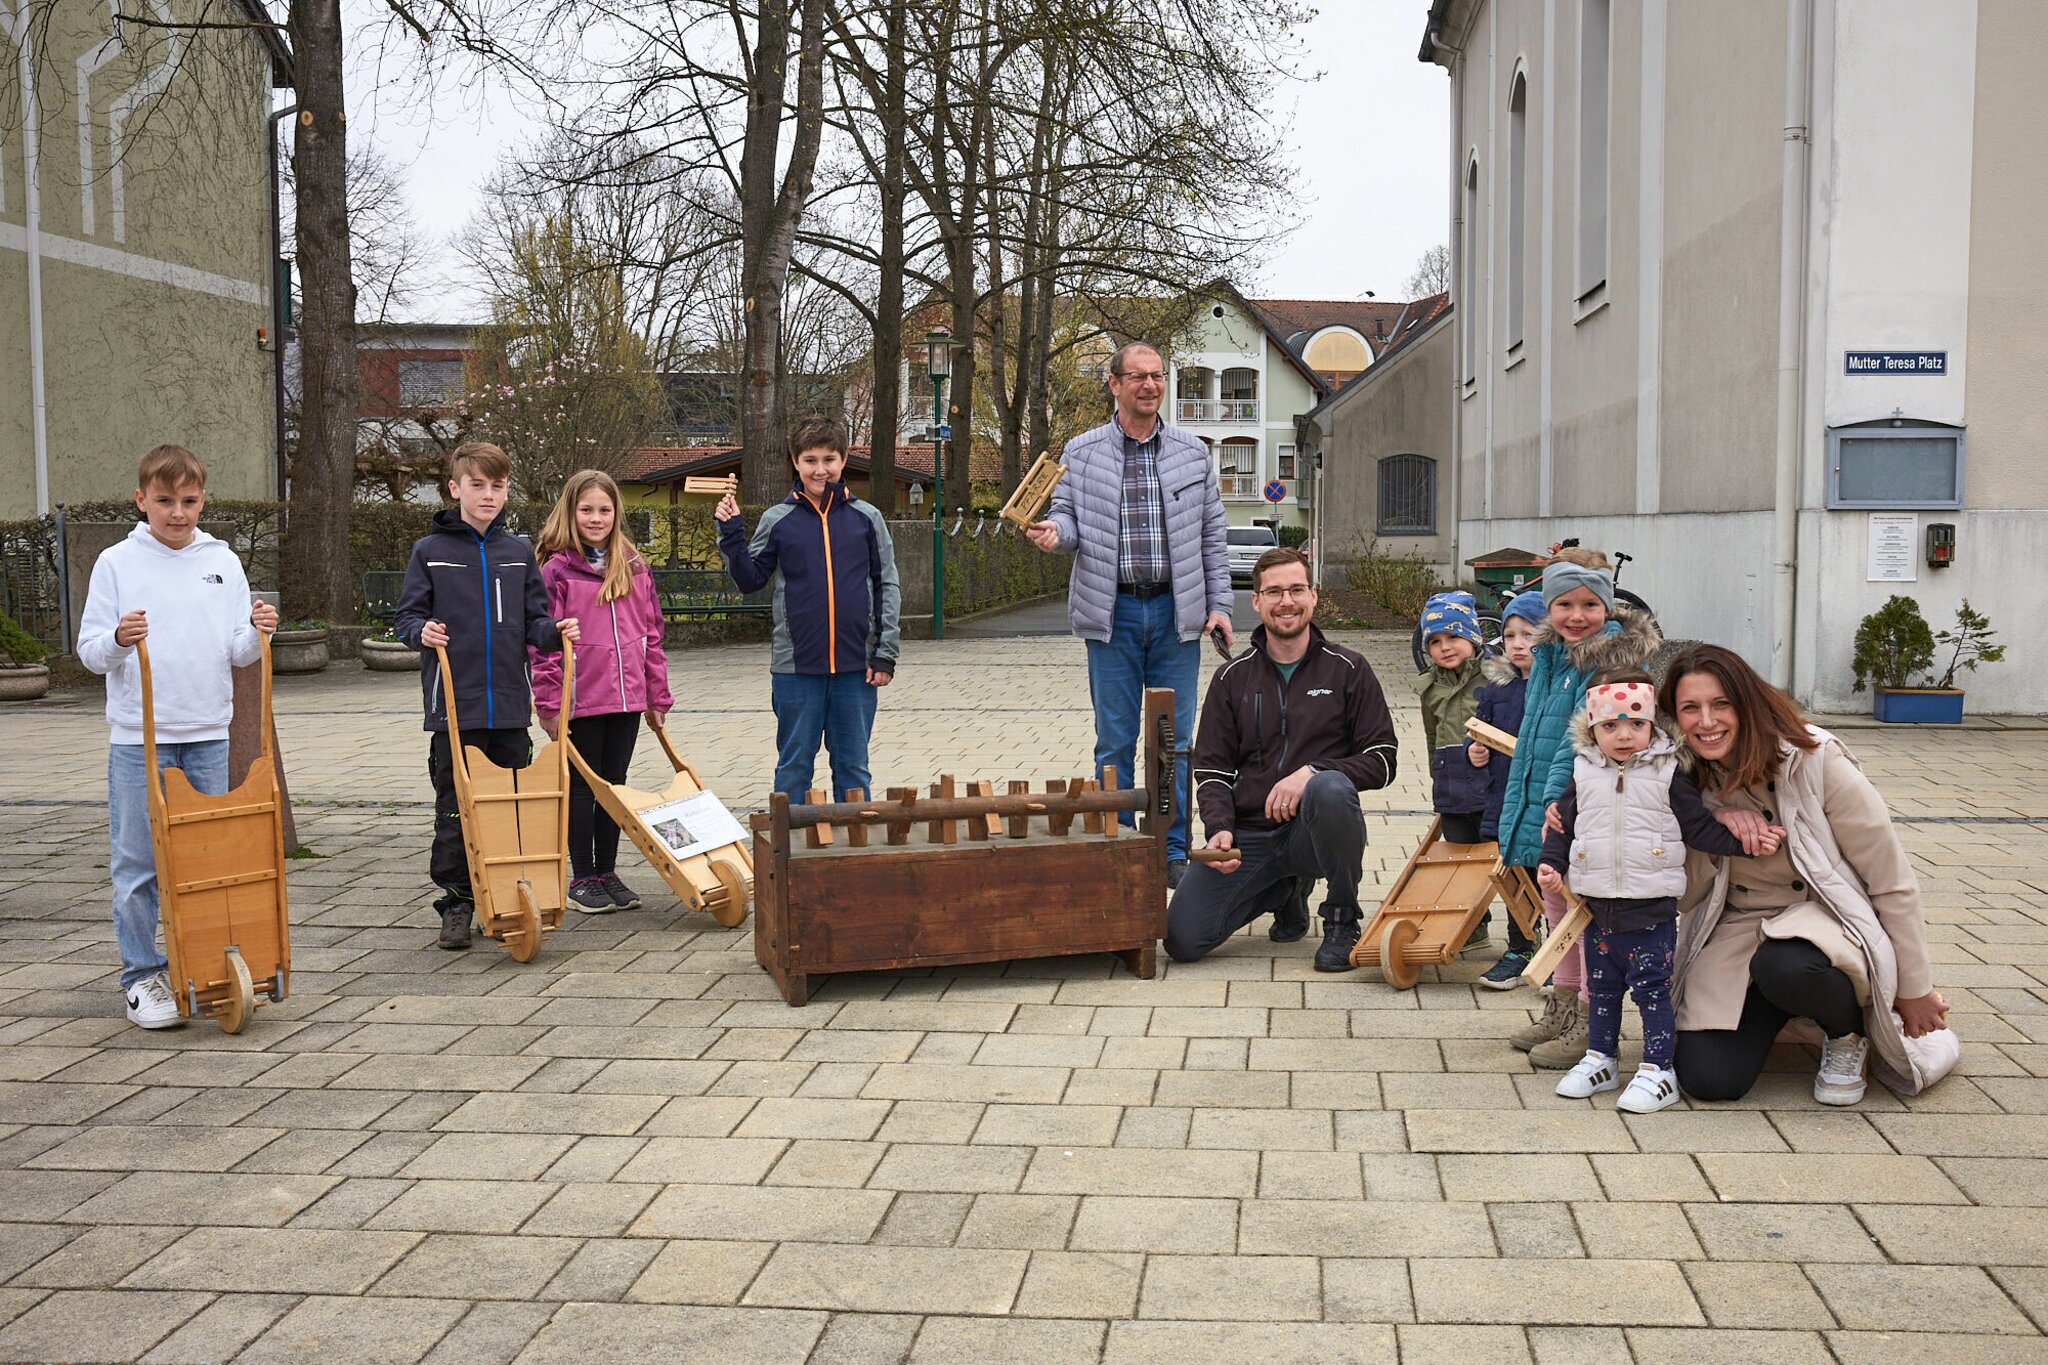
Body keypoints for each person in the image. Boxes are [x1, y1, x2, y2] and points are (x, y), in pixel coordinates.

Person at [1663, 644, 1959, 1105]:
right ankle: (1787, 1016)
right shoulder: (1678, 779)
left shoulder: (1814, 757)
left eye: (1721, 704)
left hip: (1824, 919)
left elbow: (1891, 878)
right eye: (1690, 708)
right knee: (1709, 1081)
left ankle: (1847, 1033)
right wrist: (1711, 833)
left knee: (1786, 964)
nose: (1706, 721)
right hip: (1736, 929)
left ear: (1747, 704)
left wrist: (1914, 989)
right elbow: (1679, 897)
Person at [76, 444, 279, 1028]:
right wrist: (118, 637)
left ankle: (207, 963)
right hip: (140, 738)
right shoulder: (117, 563)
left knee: (207, 861)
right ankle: (143, 976)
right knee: (138, 862)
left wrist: (260, 630)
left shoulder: (222, 561)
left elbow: (237, 650)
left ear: (202, 500)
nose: (177, 513)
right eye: (164, 501)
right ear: (142, 500)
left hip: (208, 734)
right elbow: (91, 654)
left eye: (189, 501)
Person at [1026, 341, 1233, 888]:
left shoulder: (1193, 451)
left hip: (1176, 615)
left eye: (1158, 376)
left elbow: (1213, 534)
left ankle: (1170, 851)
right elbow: (1067, 519)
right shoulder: (1084, 450)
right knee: (1113, 739)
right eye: (1137, 376)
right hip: (1111, 612)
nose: (1150, 385)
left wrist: (1219, 605)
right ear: (1114, 384)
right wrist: (1054, 535)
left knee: (1174, 740)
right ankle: (1117, 842)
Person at [1538, 670, 1769, 1112]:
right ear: (1592, 729)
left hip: (1651, 910)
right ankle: (1601, 1058)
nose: (1624, 736)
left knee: (1651, 990)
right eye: (1610, 726)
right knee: (1602, 990)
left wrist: (1746, 844)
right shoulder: (1583, 770)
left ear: (1652, 726)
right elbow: (1563, 825)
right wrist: (1552, 864)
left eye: (1636, 725)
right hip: (1596, 907)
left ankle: (1658, 1067)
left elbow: (1698, 827)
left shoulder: (1668, 772)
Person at [1169, 548, 1398, 970]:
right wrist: (1219, 828)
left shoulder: (1349, 669)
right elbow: (1213, 769)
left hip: (1316, 834)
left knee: (1329, 788)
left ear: (1314, 595)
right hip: (1250, 834)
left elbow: (1383, 759)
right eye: (1273, 592)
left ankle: (1341, 919)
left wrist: (1313, 772)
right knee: (1182, 939)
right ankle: (1283, 892)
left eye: (1296, 589)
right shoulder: (1231, 678)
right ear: (1255, 601)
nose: (1286, 601)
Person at [393, 441, 577, 950]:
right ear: (455, 489)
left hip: (509, 710)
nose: (488, 495)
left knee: (513, 809)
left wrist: (554, 630)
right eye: (477, 485)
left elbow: (534, 621)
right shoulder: (429, 551)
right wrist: (421, 632)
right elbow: (406, 618)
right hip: (454, 708)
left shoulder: (517, 551)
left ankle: (508, 897)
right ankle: (456, 903)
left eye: (497, 486)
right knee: (456, 809)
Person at [1496, 558, 1663, 1068]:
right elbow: (1533, 736)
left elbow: (1582, 744)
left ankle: (1591, 1019)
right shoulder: (1549, 656)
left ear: (1607, 606)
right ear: (1549, 606)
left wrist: (1555, 800)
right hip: (1546, 801)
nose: (1577, 615)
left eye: (1590, 604)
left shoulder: (1606, 662)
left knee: (1582, 915)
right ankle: (1562, 1003)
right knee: (1555, 902)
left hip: (1579, 804)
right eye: (1564, 604)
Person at [717, 415, 900, 806]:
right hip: (796, 670)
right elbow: (751, 580)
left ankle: (851, 850)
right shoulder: (776, 520)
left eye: (829, 459)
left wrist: (885, 652)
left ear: (844, 459)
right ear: (796, 462)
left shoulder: (867, 518)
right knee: (794, 766)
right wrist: (731, 535)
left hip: (856, 669)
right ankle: (791, 854)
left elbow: (887, 583)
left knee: (853, 767)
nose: (821, 469)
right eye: (811, 460)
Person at [531, 469, 673, 914]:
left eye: (604, 510)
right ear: (570, 512)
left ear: (617, 514)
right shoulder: (556, 571)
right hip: (582, 700)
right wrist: (551, 704)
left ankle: (607, 870)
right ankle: (582, 876)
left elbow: (651, 635)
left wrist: (656, 696)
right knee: (580, 788)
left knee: (615, 787)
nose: (596, 518)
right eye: (587, 510)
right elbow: (542, 645)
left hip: (627, 698)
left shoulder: (633, 567)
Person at [1471, 589, 1544, 987]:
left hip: (1540, 800)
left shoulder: (1553, 688)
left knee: (1546, 876)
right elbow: (1479, 728)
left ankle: (1555, 951)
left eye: (1528, 635)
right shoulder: (1498, 687)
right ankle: (1519, 946)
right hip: (1503, 798)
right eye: (1511, 635)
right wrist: (1476, 751)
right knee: (1513, 875)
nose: (1518, 644)